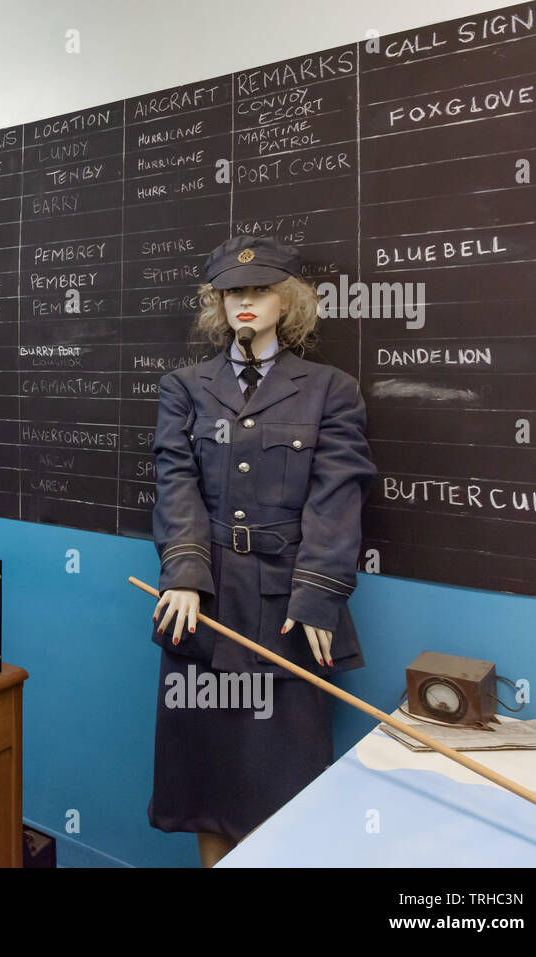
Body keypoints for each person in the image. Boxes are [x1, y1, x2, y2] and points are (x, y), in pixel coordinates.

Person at [147, 235, 375, 867]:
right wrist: (184, 573)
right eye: (231, 293)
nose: (244, 303)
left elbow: (337, 497)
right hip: (203, 609)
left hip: (286, 614)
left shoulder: (330, 389)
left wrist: (320, 594)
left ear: (290, 299)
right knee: (206, 784)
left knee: (283, 790)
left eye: (259, 290)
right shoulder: (184, 387)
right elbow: (175, 483)